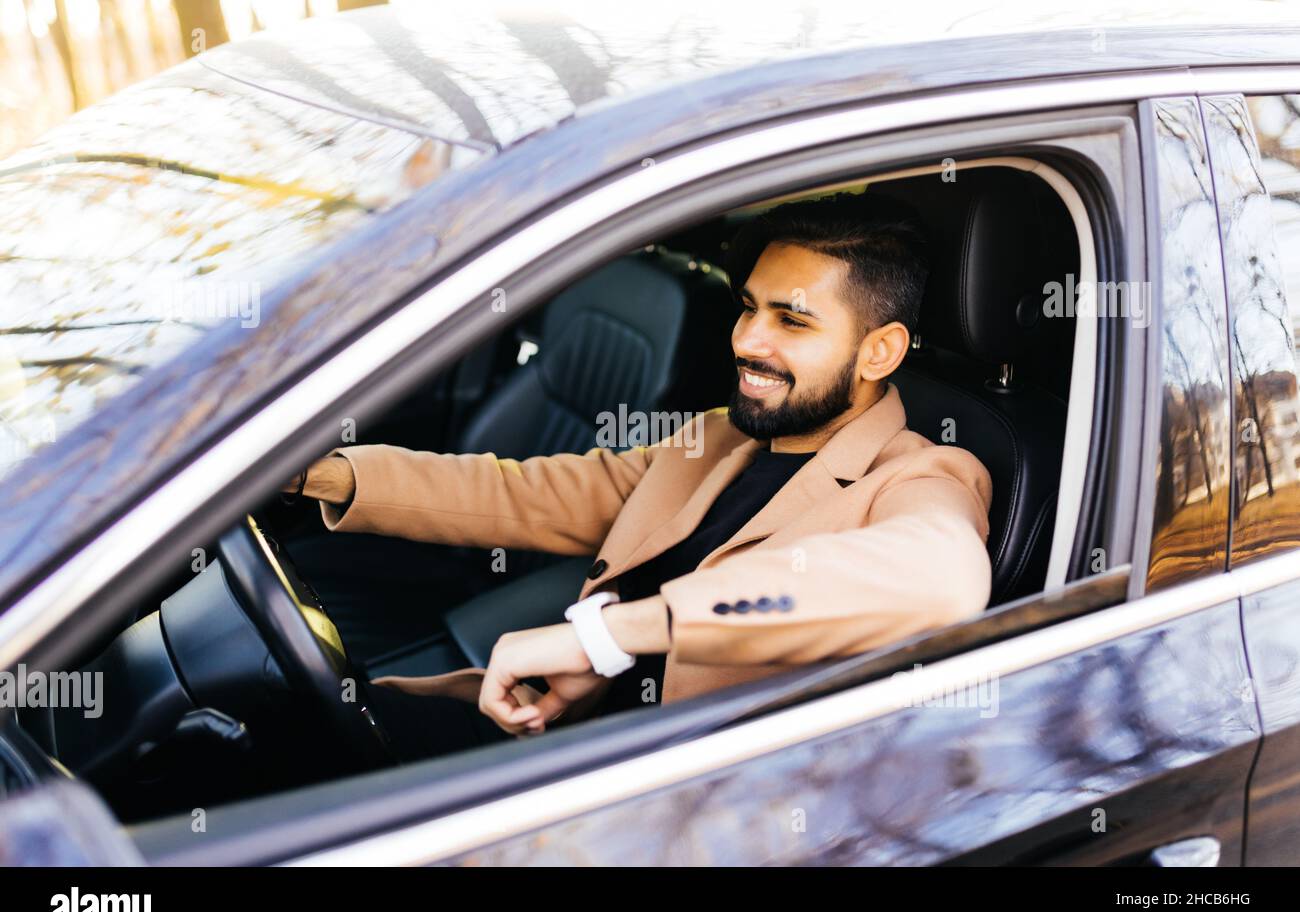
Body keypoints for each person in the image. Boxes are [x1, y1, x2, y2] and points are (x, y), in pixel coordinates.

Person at [288, 192, 994, 759]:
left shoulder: (922, 473)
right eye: (748, 307)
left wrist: (610, 635)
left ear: (879, 352)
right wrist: (312, 475)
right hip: (553, 732)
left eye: (792, 321)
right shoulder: (719, 435)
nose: (747, 340)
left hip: (672, 804)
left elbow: (944, 577)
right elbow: (524, 493)